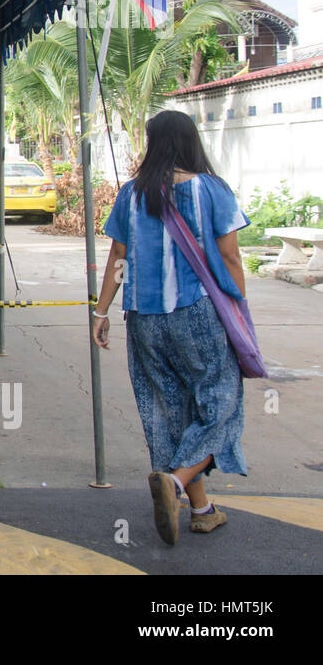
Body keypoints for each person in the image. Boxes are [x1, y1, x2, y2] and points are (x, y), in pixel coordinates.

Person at [93, 110, 249, 545]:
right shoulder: (211, 189)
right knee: (222, 405)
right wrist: (238, 309)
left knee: (166, 413)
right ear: (190, 141)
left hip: (143, 319)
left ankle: (201, 510)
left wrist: (101, 312)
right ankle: (177, 482)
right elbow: (232, 258)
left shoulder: (130, 194)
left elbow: (117, 259)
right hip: (198, 313)